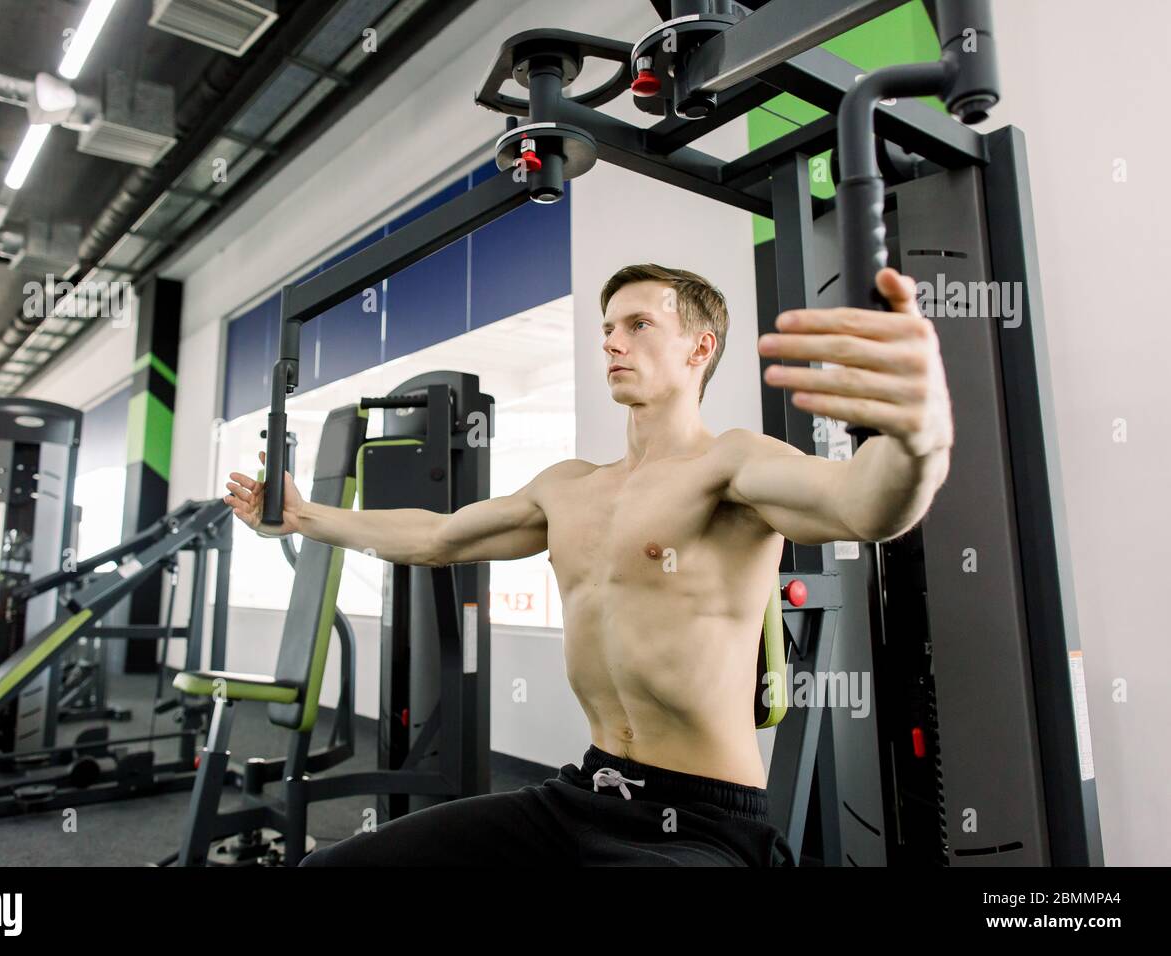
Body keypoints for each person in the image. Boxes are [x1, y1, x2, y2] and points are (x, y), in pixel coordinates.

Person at [223, 263, 952, 866]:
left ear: (700, 349)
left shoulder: (732, 465)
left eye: (639, 325)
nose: (613, 342)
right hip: (579, 795)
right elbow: (437, 537)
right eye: (607, 328)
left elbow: (865, 505)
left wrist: (918, 438)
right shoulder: (568, 486)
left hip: (699, 822)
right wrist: (304, 515)